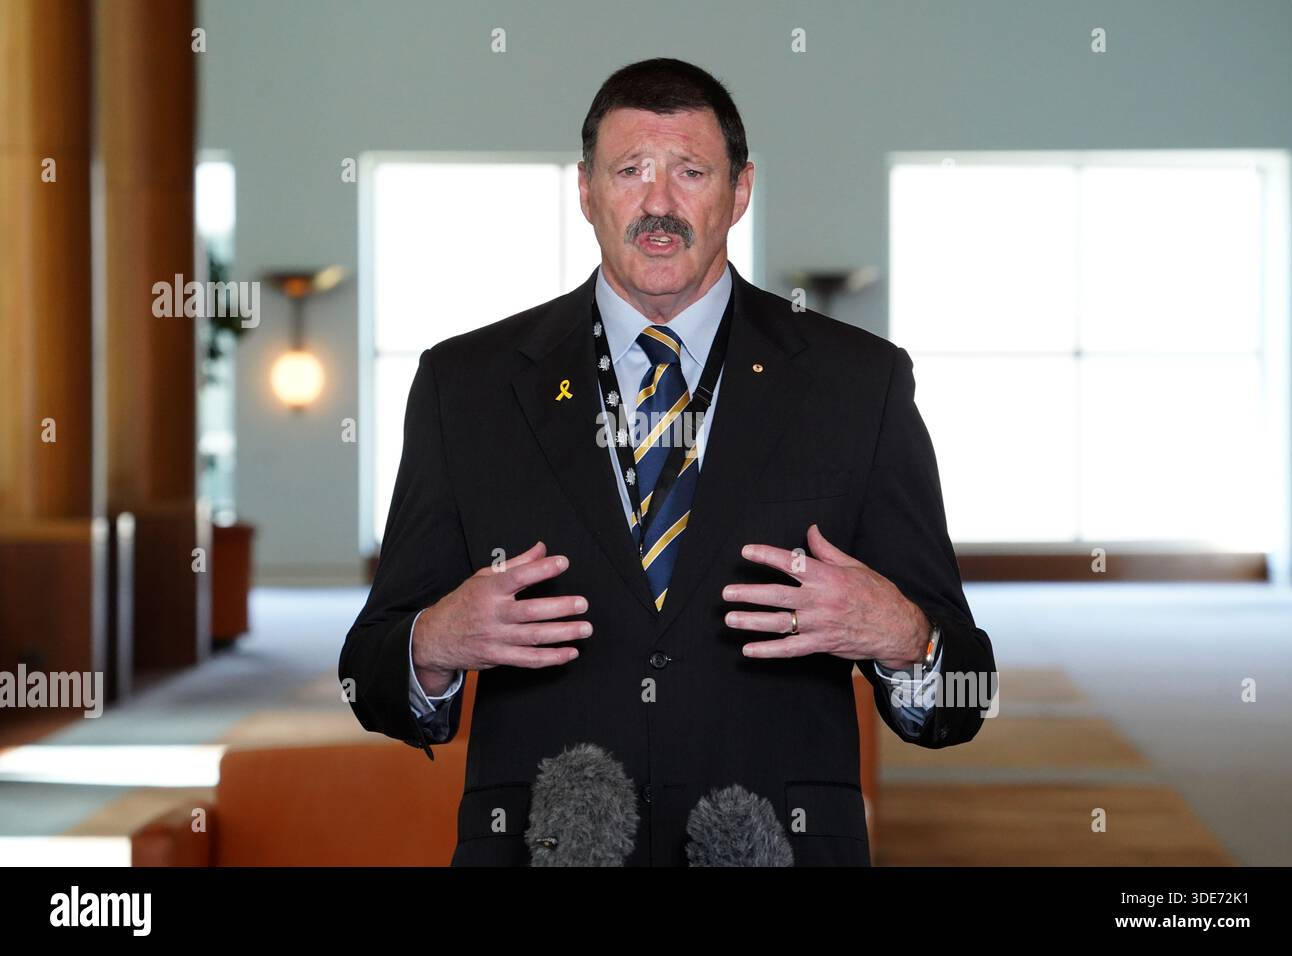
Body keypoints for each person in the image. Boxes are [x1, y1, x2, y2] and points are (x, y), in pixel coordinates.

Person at [340, 57, 996, 866]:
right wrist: (433, 643)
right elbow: (365, 673)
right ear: (585, 191)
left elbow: (966, 689)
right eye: (630, 172)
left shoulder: (860, 383)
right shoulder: (464, 385)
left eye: (690, 171)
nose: (659, 203)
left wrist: (903, 634)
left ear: (740, 189)